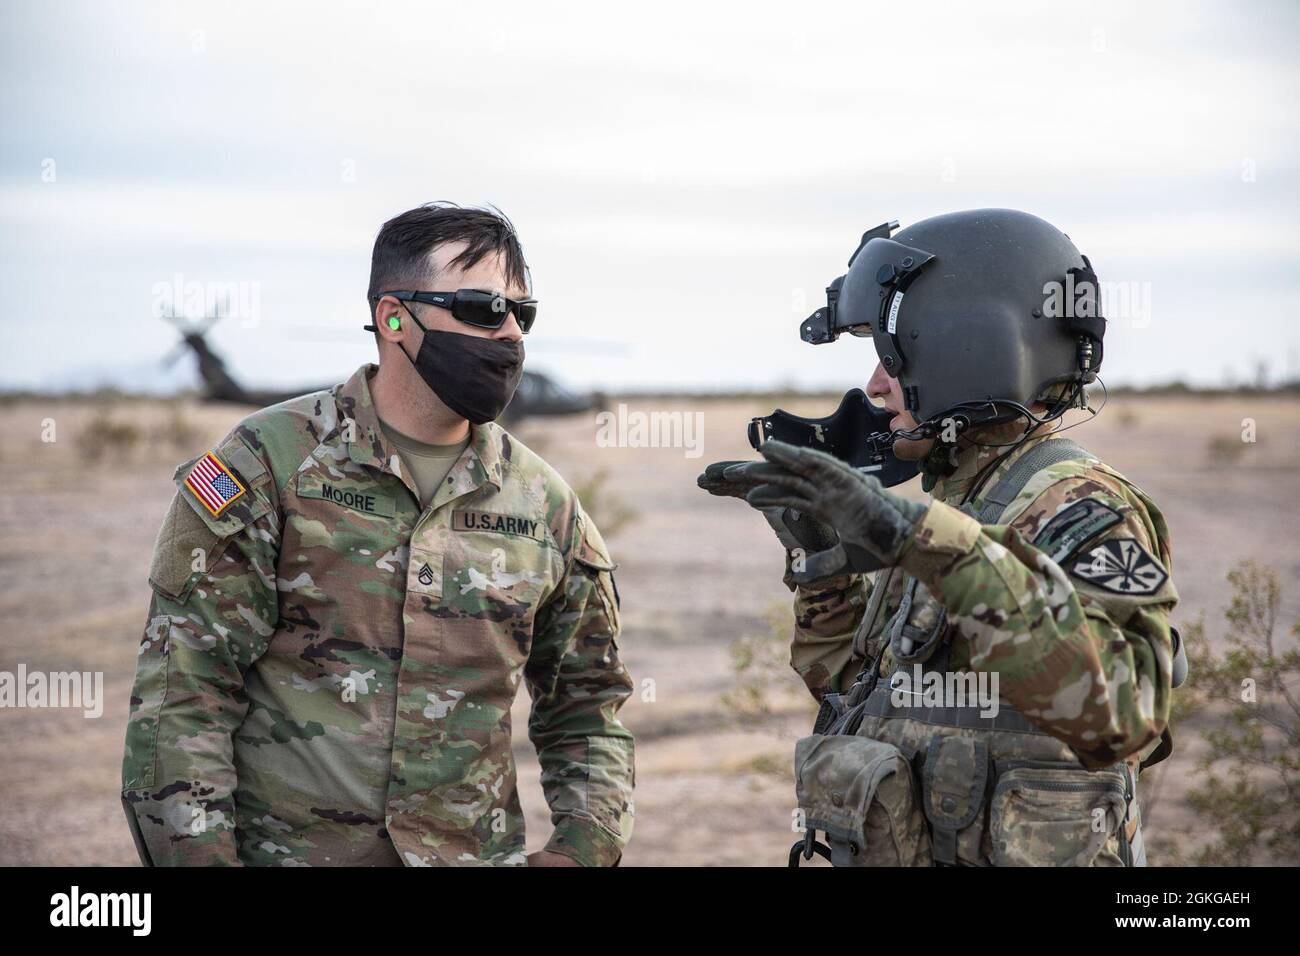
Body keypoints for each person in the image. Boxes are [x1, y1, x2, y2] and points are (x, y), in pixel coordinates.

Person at [122, 203, 634, 867]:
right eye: (481, 307)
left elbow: (588, 708)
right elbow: (183, 694)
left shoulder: (546, 505)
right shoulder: (270, 464)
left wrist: (581, 851)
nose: (508, 332)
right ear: (394, 318)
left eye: (521, 313)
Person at [702, 209, 1180, 866]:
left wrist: (920, 538)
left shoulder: (1076, 504)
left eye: (891, 357)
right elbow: (863, 692)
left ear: (966, 348)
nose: (873, 385)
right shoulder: (959, 502)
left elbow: (1123, 716)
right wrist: (820, 561)